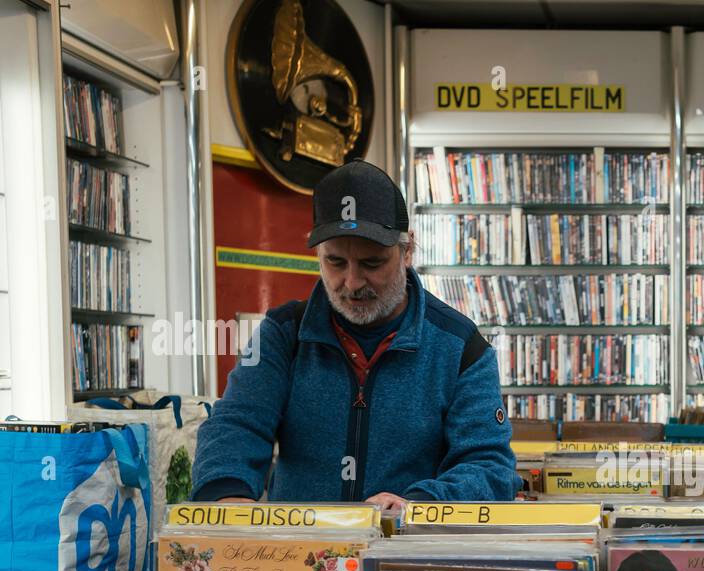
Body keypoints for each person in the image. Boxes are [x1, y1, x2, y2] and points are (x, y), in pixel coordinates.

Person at [191, 160, 519, 508]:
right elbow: (236, 424)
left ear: (407, 251)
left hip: (407, 551)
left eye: (371, 263)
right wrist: (225, 494)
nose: (352, 282)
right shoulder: (281, 335)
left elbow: (490, 468)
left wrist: (420, 503)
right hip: (300, 553)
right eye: (335, 262)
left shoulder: (461, 348)